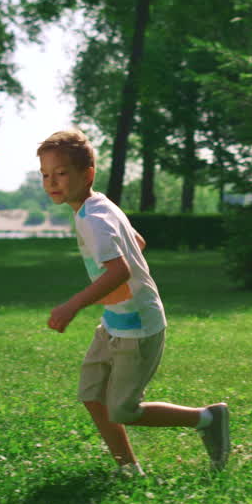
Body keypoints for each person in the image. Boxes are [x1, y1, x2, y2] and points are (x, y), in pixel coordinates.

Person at [37, 129, 230, 476]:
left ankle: (207, 418)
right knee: (92, 394)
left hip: (138, 327)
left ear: (87, 174)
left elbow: (119, 272)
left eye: (61, 173)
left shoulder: (93, 219)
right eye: (45, 175)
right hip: (116, 322)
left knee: (123, 409)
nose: (52, 182)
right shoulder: (98, 206)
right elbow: (137, 241)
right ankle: (128, 469)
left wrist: (72, 306)